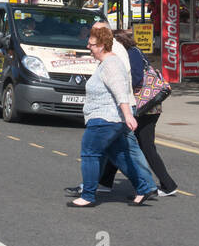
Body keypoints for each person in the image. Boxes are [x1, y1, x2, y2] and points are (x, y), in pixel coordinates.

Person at [66, 26, 157, 208]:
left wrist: (128, 116)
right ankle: (144, 187)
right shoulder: (106, 63)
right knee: (120, 155)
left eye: (91, 44)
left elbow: (120, 92)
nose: (88, 47)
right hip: (112, 120)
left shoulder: (111, 64)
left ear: (101, 45)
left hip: (105, 119)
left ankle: (88, 196)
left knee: (90, 153)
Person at [92, 31, 179, 197]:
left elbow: (137, 78)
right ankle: (105, 181)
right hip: (148, 106)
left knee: (143, 146)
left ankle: (167, 184)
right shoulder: (132, 51)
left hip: (145, 107)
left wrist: (118, 87)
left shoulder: (131, 53)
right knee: (122, 142)